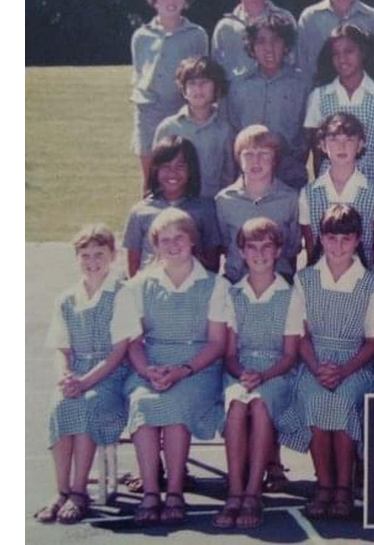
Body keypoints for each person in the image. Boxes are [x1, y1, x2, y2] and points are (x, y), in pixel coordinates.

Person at [114, 209, 229, 526]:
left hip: (197, 369)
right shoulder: (139, 285)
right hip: (150, 365)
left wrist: (183, 371)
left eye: (179, 237)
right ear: (155, 246)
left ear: (192, 240)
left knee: (176, 402)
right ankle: (151, 492)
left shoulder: (214, 285)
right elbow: (133, 342)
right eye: (165, 240)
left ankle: (176, 491)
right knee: (143, 401)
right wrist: (146, 371)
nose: (173, 244)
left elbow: (217, 344)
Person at [279, 204, 374, 520]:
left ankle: (343, 487)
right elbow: (299, 336)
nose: (338, 246)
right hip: (314, 361)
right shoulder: (305, 279)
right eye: (331, 238)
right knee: (314, 400)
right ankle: (323, 484)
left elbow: (372, 342)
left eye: (346, 239)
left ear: (357, 241)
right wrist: (317, 368)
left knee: (342, 403)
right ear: (321, 240)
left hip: (354, 364)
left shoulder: (371, 284)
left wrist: (343, 370)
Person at [34, 225, 130, 525]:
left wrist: (86, 382)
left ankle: (79, 492)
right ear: (77, 258)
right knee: (61, 406)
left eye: (99, 254)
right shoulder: (67, 299)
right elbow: (61, 347)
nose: (92, 261)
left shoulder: (122, 294)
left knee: (88, 405)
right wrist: (65, 376)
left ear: (112, 256)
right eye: (85, 255)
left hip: (111, 376)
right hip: (77, 374)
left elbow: (119, 352)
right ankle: (61, 491)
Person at [213, 218, 301, 529]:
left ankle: (253, 492)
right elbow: (230, 354)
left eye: (267, 247)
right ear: (240, 251)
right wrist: (244, 374)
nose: (260, 254)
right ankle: (234, 490)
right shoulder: (232, 293)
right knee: (237, 403)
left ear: (278, 251)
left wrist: (262, 377)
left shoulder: (291, 294)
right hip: (242, 372)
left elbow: (291, 355)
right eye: (252, 247)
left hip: (277, 373)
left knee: (261, 404)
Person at [130, 0, 208, 179]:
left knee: (181, 167)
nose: (171, 1)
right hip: (148, 111)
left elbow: (201, 74)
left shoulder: (196, 34)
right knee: (150, 170)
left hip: (181, 108)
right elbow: (139, 72)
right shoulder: (141, 36)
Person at [303, 24, 374, 181]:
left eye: (349, 51)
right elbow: (317, 152)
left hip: (369, 178)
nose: (342, 59)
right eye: (336, 54)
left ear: (362, 52)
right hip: (330, 179)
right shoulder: (319, 96)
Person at [227, 15, 311, 189]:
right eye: (261, 42)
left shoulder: (302, 84)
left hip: (289, 174)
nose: (269, 49)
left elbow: (308, 132)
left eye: (276, 41)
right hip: (249, 175)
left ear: (286, 45)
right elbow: (233, 129)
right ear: (251, 47)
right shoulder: (239, 86)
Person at [300, 113, 374, 270]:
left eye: (349, 140)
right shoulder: (308, 194)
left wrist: (365, 278)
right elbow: (311, 246)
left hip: (362, 279)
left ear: (360, 144)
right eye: (334, 140)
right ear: (322, 145)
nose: (342, 147)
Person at [123, 136, 223, 275]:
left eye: (180, 166)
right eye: (165, 166)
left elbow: (212, 260)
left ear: (191, 169)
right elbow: (133, 264)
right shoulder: (140, 212)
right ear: (155, 170)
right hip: (151, 287)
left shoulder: (205, 209)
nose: (172, 172)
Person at [215, 125, 301, 283]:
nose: (256, 161)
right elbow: (226, 245)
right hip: (236, 281)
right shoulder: (224, 200)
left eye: (264, 154)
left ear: (275, 159)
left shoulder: (291, 198)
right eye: (248, 154)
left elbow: (292, 248)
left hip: (279, 282)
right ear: (238, 159)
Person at [153, 56, 236, 199]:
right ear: (183, 90)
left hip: (210, 205)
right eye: (192, 83)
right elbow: (156, 173)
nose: (198, 88)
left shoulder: (225, 130)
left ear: (216, 88)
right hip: (176, 206)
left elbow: (229, 175)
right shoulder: (168, 127)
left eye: (204, 82)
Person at [211, 0, 297, 81]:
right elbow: (216, 69)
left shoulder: (284, 18)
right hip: (236, 98)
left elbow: (294, 59)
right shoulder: (225, 27)